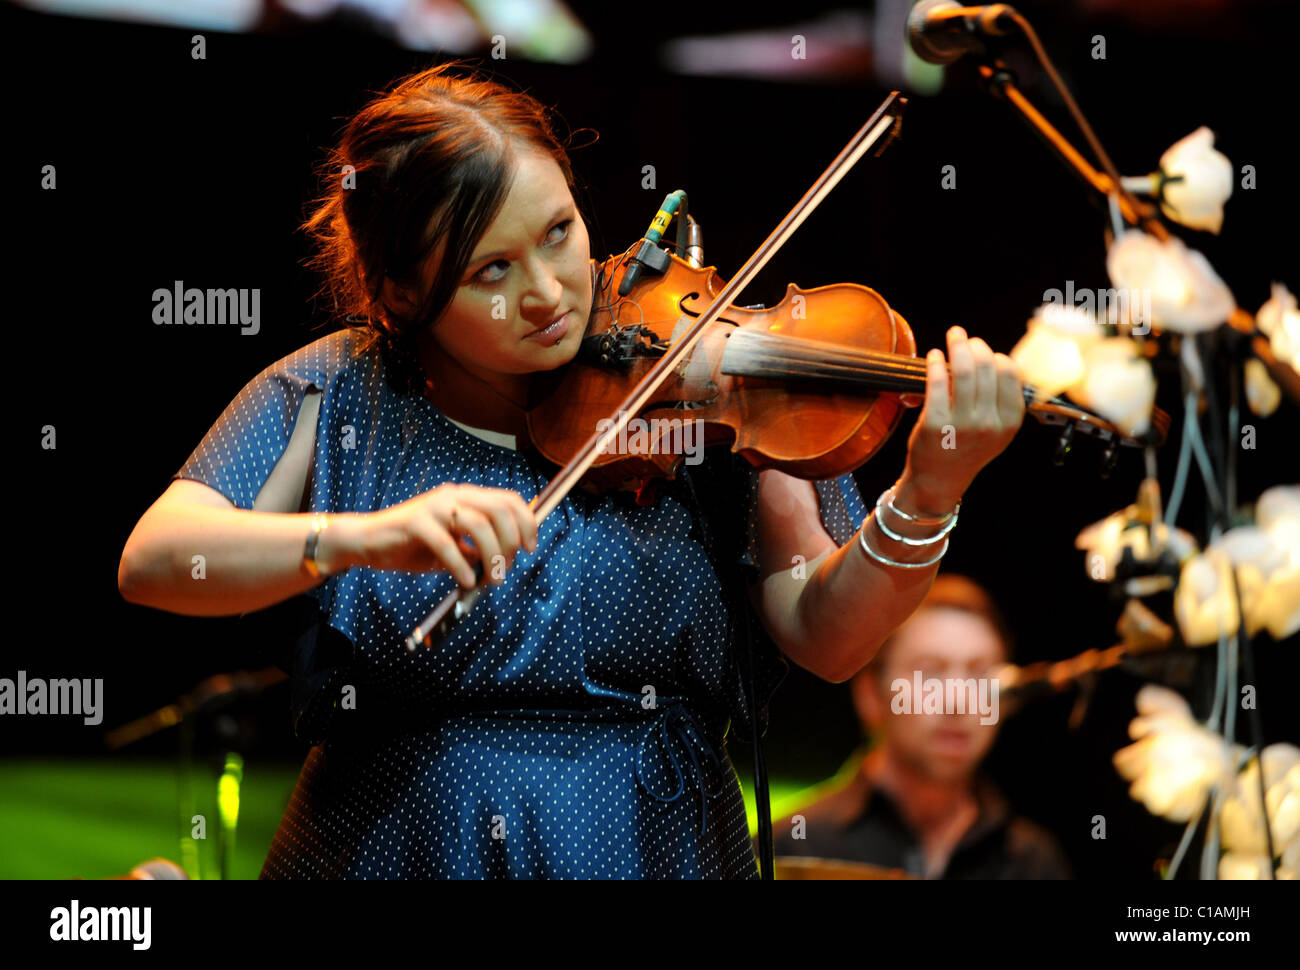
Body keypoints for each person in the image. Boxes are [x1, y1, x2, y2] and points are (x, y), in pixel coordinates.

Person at [116, 62, 1027, 879]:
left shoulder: (703, 378)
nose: (550, 293)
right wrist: (361, 537)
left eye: (560, 232)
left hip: (656, 845)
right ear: (401, 293)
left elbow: (828, 637)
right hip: (401, 848)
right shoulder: (340, 389)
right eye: (491, 273)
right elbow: (159, 560)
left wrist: (929, 491)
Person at [772, 574, 1073, 879]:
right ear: (870, 695)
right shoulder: (791, 846)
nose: (958, 702)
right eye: (929, 673)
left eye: (981, 675)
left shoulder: (1034, 862)